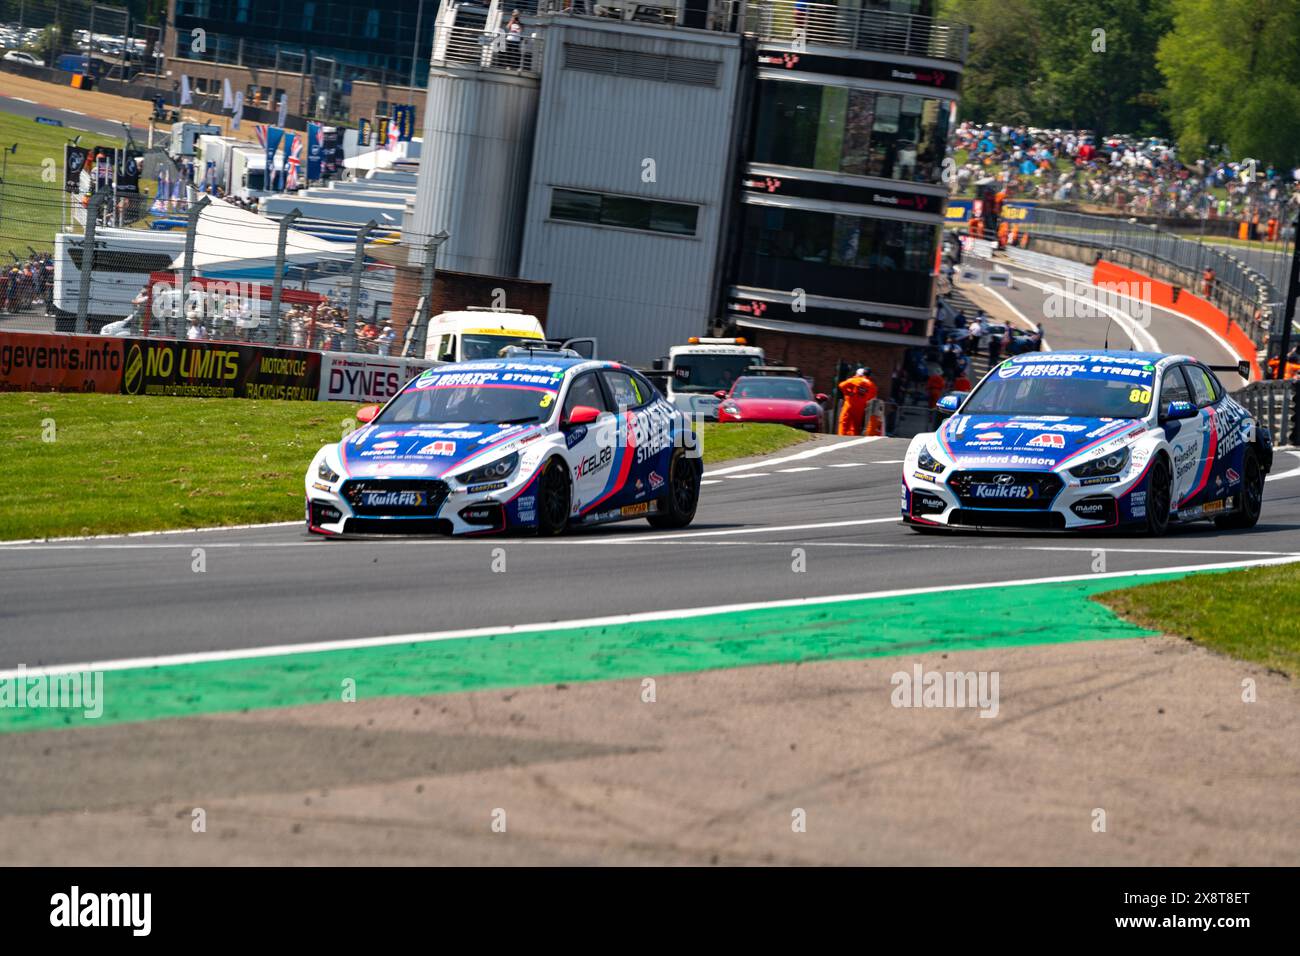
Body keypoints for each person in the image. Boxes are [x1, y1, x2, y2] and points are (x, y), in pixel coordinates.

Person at [836, 367, 876, 436]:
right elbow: (872, 397)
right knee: (856, 426)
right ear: (870, 375)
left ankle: (841, 437)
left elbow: (841, 385)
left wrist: (847, 393)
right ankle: (853, 439)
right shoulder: (872, 385)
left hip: (849, 405)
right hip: (860, 408)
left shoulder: (855, 380)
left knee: (843, 423)